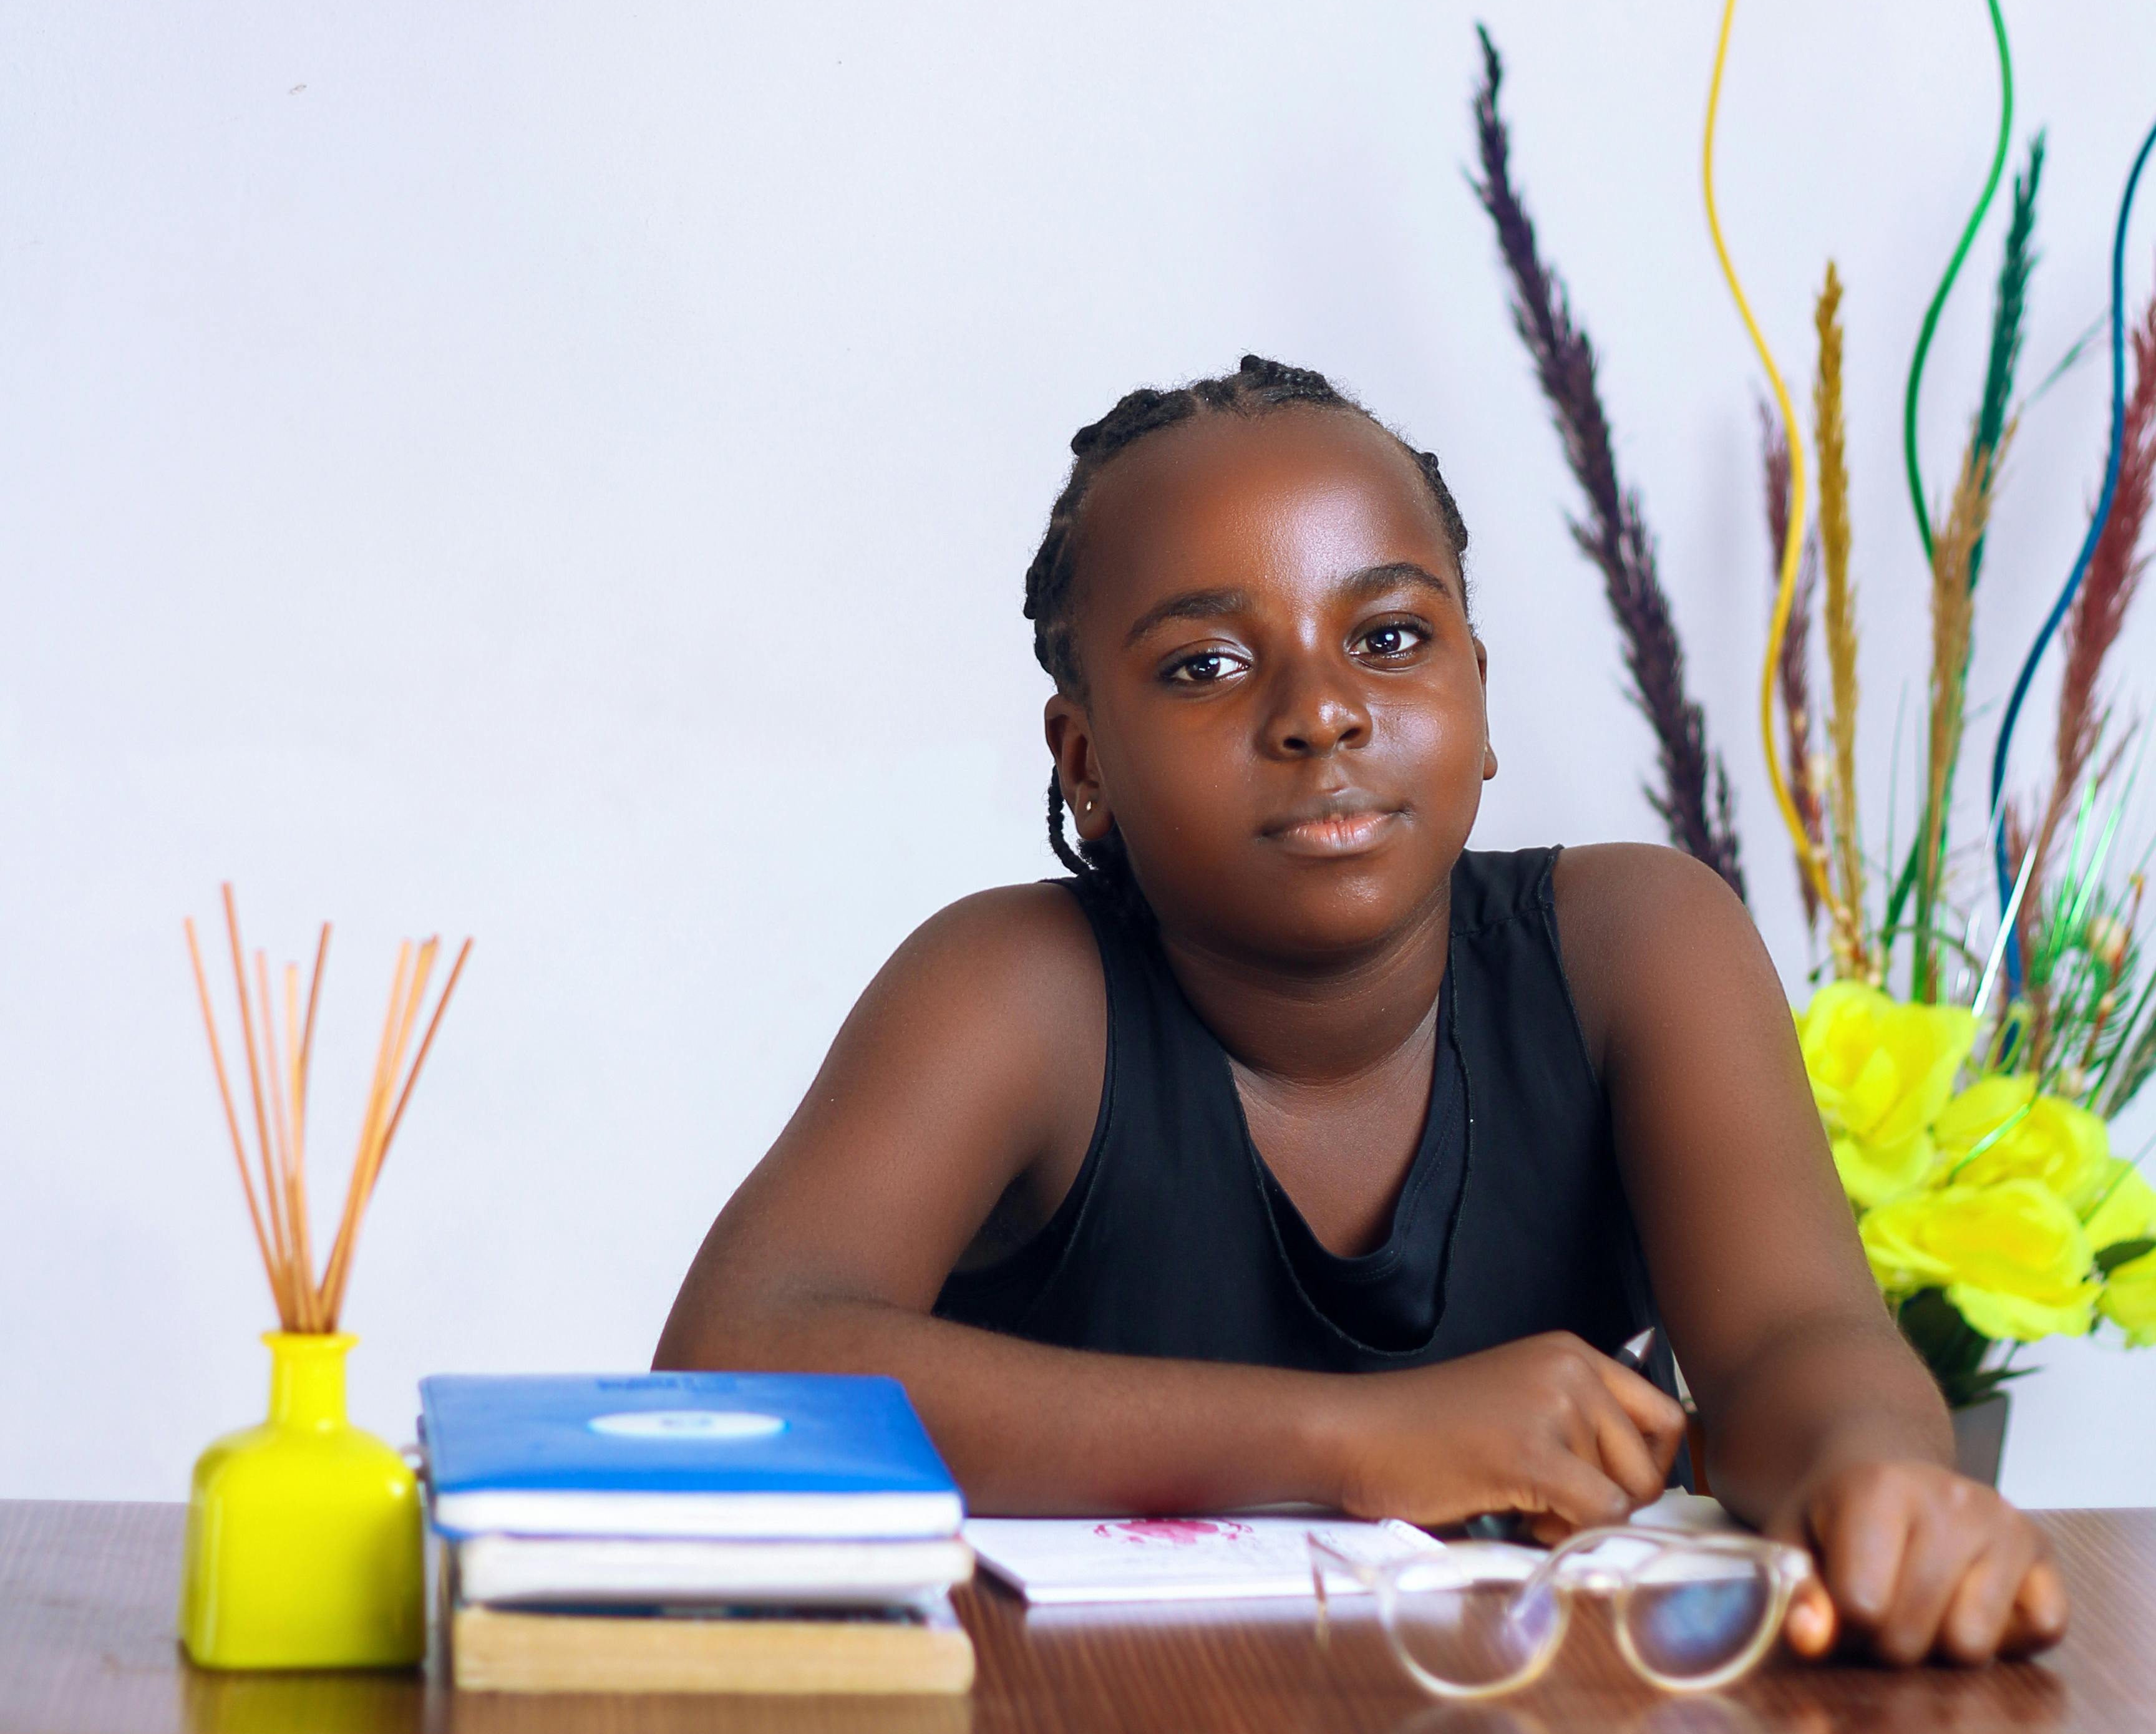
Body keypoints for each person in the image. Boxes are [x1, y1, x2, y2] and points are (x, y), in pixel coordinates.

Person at [658, 356, 2066, 1667]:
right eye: (1207, 664)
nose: (1320, 712)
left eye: (1388, 636)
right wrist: (1357, 1439)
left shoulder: (1640, 946)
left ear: (1481, 692)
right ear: (1083, 762)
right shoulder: (1015, 993)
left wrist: (1875, 1476)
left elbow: (1788, 1346)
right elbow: (739, 1361)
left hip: (1514, 1731)